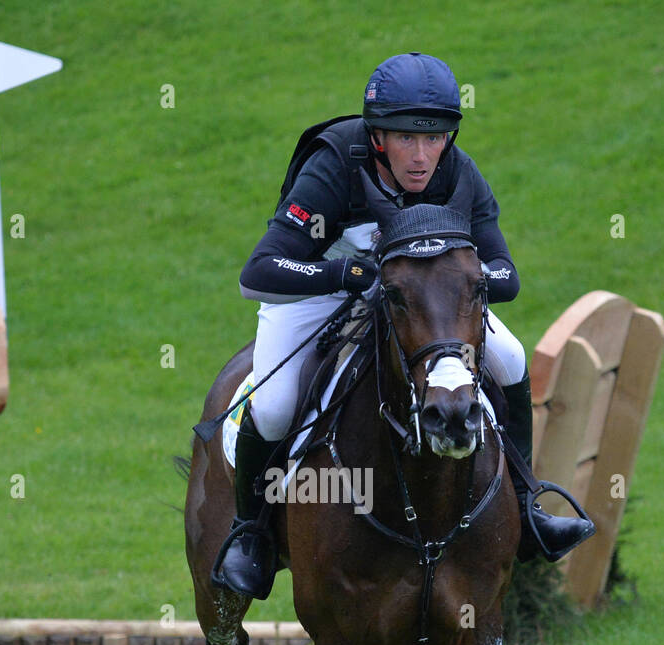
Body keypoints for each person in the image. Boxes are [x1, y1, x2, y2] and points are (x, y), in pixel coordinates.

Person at [213, 52, 592, 600]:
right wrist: (346, 272)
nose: (421, 157)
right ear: (377, 137)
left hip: (421, 303)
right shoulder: (333, 166)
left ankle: (527, 503)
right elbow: (259, 271)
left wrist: (450, 277)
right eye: (405, 139)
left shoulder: (458, 173)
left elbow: (505, 275)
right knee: (271, 406)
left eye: (434, 139)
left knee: (510, 358)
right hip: (320, 291)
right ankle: (250, 534)